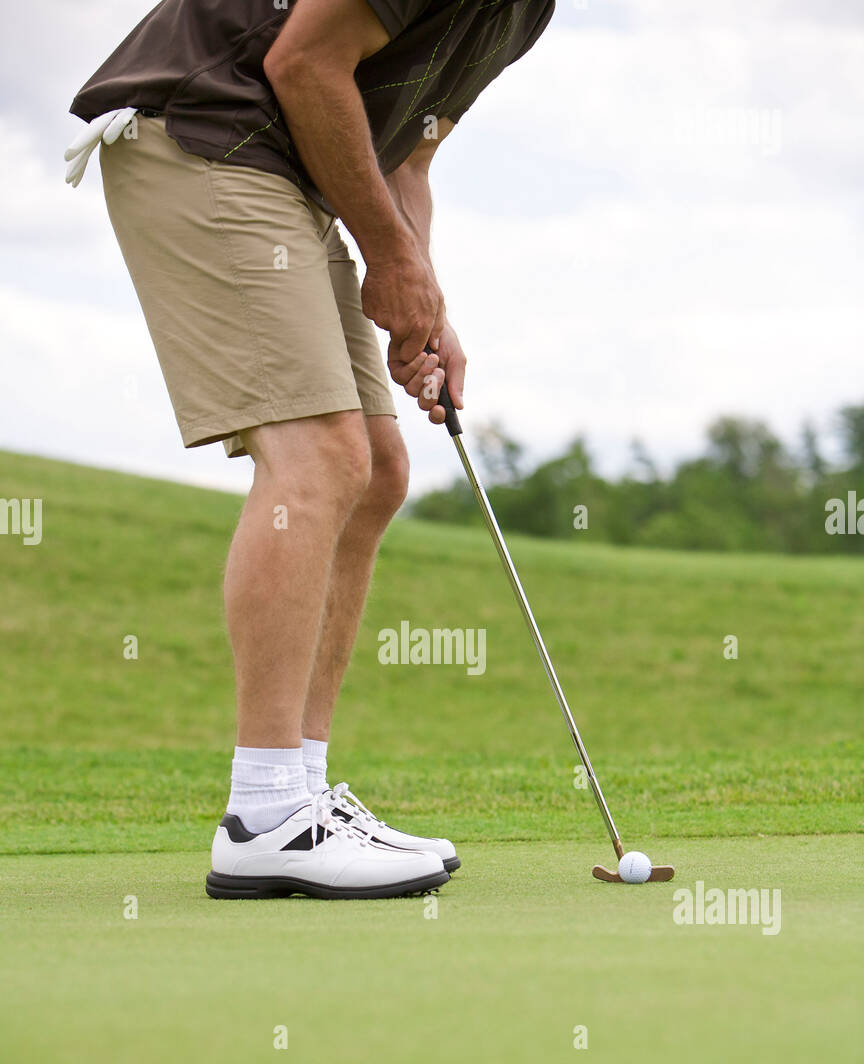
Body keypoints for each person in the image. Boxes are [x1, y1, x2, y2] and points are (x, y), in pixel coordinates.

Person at [66, 0, 555, 899]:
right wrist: (392, 263)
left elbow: (408, 147)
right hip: (201, 133)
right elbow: (305, 63)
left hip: (282, 166)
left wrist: (424, 293)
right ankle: (263, 815)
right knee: (323, 458)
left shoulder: (527, 12)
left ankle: (299, 793)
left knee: (378, 469)